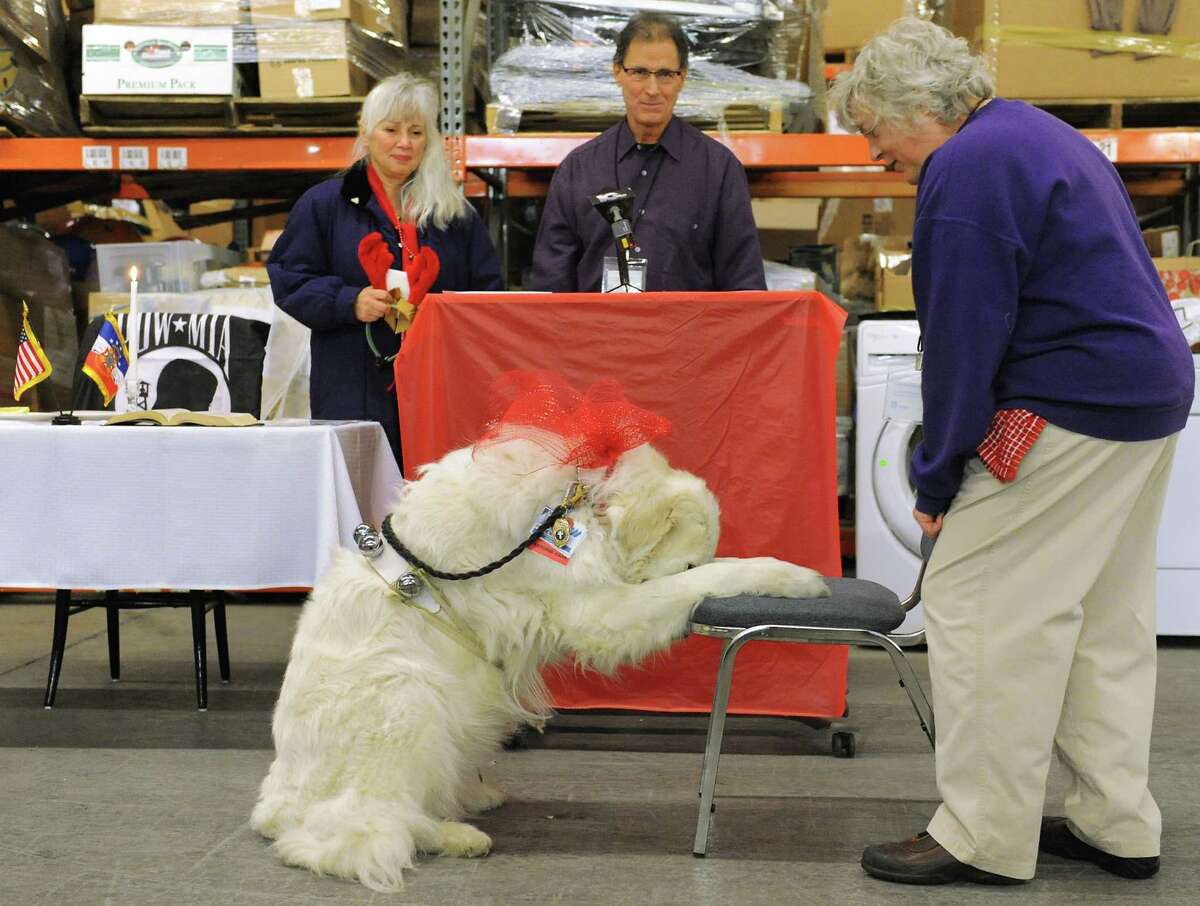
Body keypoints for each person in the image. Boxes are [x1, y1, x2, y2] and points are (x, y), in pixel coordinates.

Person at [829, 18, 1194, 886]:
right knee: (1104, 621)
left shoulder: (965, 169)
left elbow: (962, 340)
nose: (879, 156)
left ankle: (982, 834)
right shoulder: (1036, 131)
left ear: (915, 104)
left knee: (977, 605)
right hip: (1144, 396)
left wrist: (938, 473)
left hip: (1063, 402)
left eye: (877, 134)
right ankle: (1116, 823)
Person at [268, 73, 502, 466]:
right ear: (365, 130)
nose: (404, 143)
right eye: (391, 130)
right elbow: (290, 279)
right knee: (358, 493)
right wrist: (348, 300)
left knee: (436, 494)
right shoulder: (325, 204)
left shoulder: (453, 214)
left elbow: (487, 293)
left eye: (416, 131)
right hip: (351, 386)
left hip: (438, 383)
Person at [529, 11, 765, 293]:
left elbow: (744, 285)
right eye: (639, 72)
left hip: (687, 337)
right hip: (598, 336)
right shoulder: (577, 170)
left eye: (665, 74)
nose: (652, 89)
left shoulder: (719, 170)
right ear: (618, 72)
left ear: (682, 78)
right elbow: (551, 289)